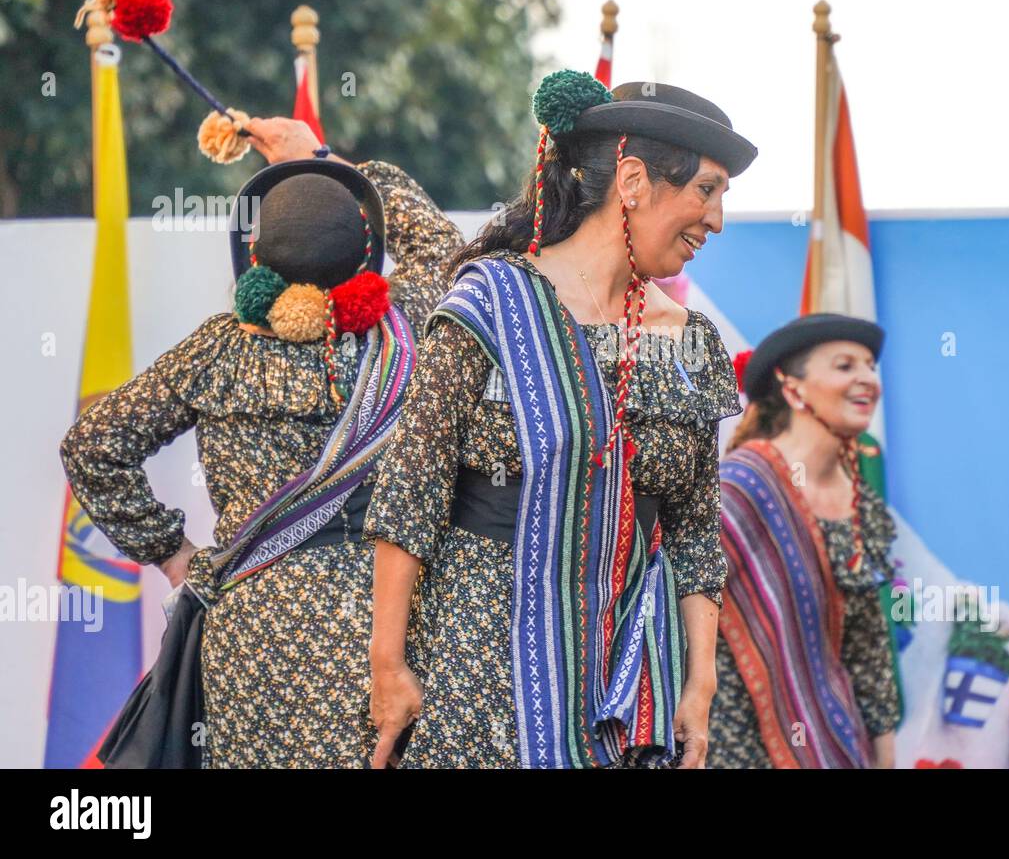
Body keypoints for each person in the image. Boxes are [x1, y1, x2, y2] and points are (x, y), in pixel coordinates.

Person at [365, 71, 756, 768]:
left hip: (629, 673)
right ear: (633, 179)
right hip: (485, 663)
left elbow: (696, 530)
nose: (717, 219)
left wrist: (701, 683)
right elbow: (409, 493)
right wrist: (388, 666)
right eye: (706, 189)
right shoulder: (491, 305)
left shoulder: (690, 341)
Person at [60, 118, 462, 767]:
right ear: (366, 258)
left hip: (249, 630)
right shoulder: (400, 336)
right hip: (381, 635)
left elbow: (92, 445)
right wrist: (332, 158)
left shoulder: (221, 349)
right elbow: (440, 246)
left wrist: (172, 552)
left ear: (257, 259)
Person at [710, 314, 902, 768]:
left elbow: (868, 650)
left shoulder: (861, 503)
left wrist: (886, 758)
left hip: (832, 743)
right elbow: (673, 623)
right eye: (844, 366)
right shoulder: (738, 489)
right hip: (734, 744)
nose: (867, 379)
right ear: (792, 387)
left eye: (870, 365)